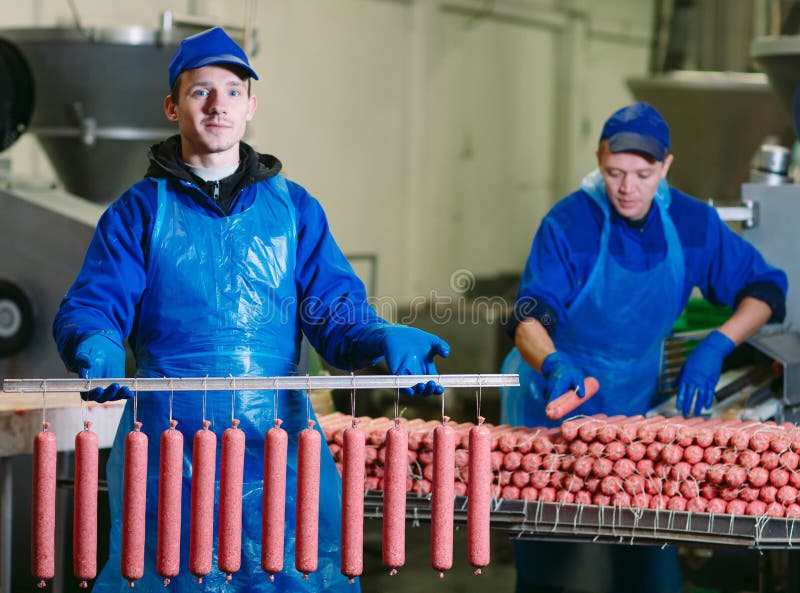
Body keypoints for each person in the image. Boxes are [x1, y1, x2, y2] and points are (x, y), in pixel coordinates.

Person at [52, 27, 449, 593]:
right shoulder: (138, 212)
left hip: (281, 454)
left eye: (233, 91)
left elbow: (335, 313)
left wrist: (382, 336)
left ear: (251, 106)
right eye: (200, 91)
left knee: (290, 573)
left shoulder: (295, 209)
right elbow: (95, 303)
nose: (218, 105)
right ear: (173, 106)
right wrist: (96, 342)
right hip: (168, 454)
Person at [500, 102, 787, 593]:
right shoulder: (570, 224)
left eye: (643, 173)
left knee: (646, 561)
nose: (627, 188)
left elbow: (765, 289)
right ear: (598, 159)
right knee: (557, 566)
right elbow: (528, 317)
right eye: (614, 172)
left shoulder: (692, 225)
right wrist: (553, 359)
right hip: (555, 398)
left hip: (636, 406)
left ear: (666, 167)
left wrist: (717, 344)